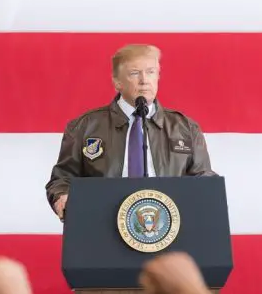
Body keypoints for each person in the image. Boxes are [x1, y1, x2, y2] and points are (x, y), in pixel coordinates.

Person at [45, 44, 215, 220]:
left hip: (169, 228)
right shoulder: (84, 127)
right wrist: (62, 196)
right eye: (135, 73)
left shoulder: (185, 128)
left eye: (150, 72)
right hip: (102, 223)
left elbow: (203, 179)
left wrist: (210, 192)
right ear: (117, 82)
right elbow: (62, 179)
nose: (144, 80)